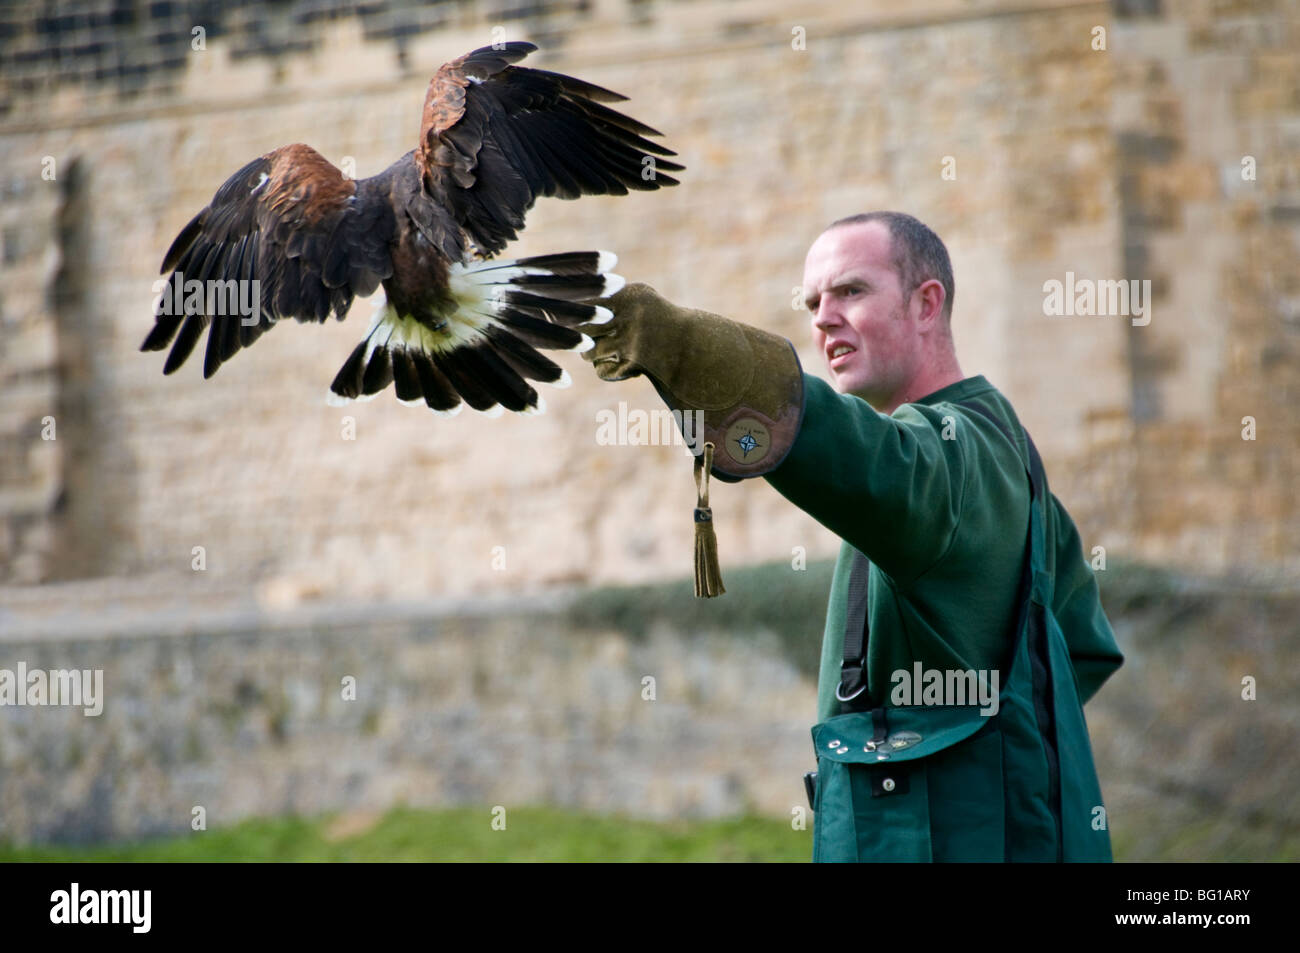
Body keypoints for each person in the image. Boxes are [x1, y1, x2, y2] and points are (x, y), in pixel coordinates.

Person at [580, 211, 1124, 862]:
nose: (822, 317)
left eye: (851, 291)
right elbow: (1085, 648)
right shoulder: (1010, 457)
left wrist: (672, 341)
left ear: (927, 304)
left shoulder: (952, 455)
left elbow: (862, 456)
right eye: (813, 302)